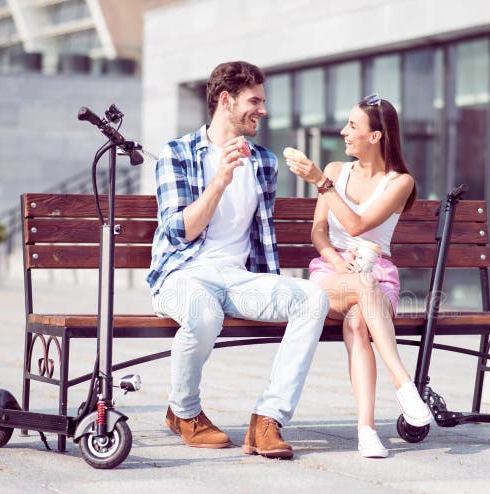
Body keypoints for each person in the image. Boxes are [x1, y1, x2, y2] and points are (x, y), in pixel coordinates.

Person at [148, 61, 330, 460]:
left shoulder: (264, 161)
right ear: (226, 101)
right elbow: (179, 232)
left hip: (238, 279)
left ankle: (267, 420)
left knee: (312, 299)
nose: (263, 110)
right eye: (255, 101)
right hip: (182, 275)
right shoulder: (177, 153)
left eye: (263, 101)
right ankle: (184, 413)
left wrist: (272, 288)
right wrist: (219, 181)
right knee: (203, 312)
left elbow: (261, 238)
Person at [286, 94, 432, 458]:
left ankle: (366, 429)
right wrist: (338, 263)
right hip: (331, 274)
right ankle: (404, 385)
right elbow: (319, 231)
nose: (344, 132)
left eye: (353, 126)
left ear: (376, 136)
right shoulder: (337, 170)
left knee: (356, 324)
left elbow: (357, 225)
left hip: (378, 276)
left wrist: (320, 182)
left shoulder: (401, 182)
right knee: (360, 288)